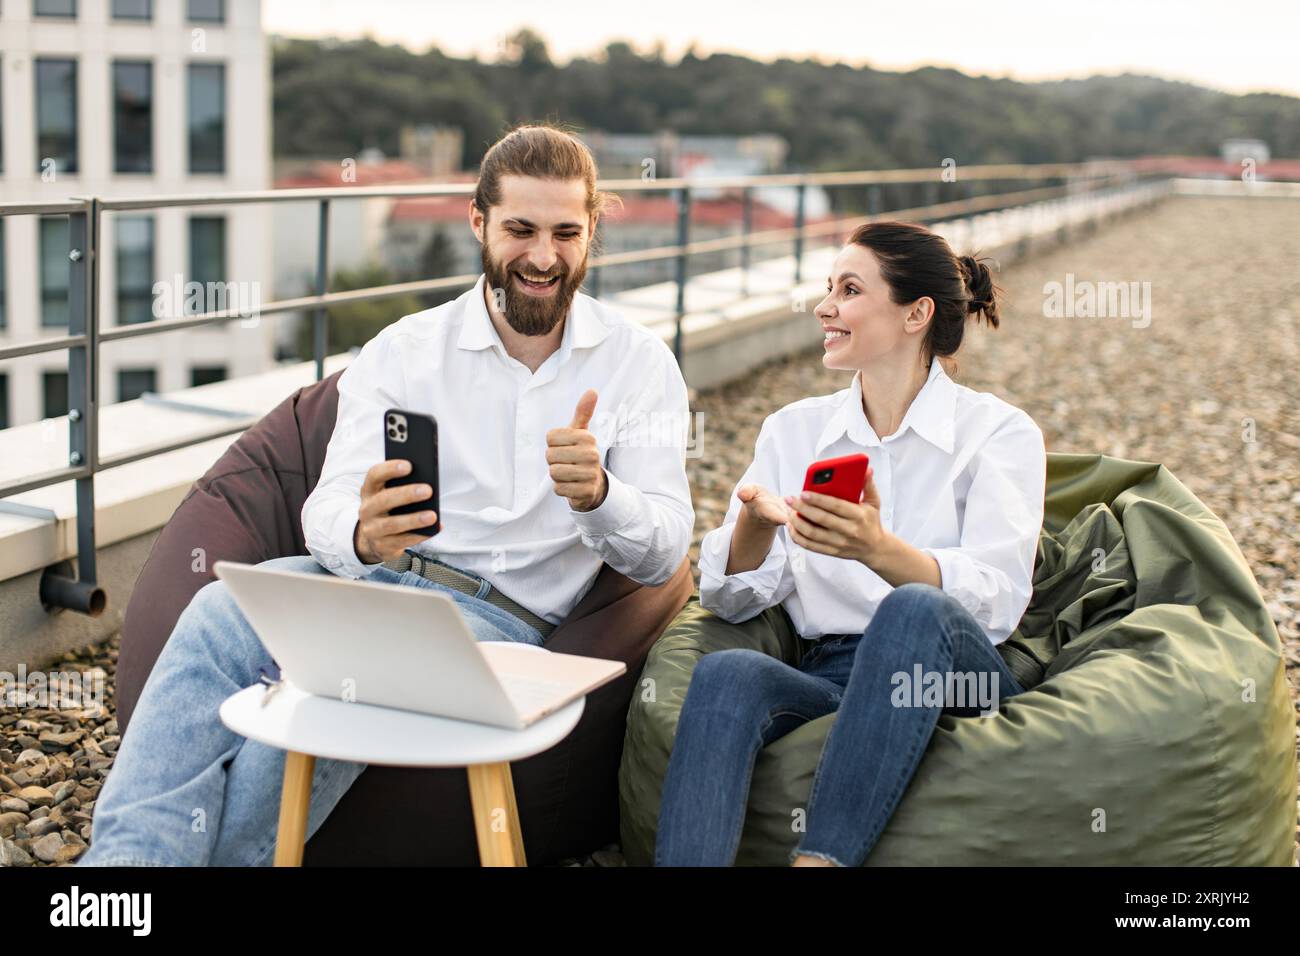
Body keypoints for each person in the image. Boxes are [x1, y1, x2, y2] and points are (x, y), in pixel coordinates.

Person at [80, 124, 694, 867]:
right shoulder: (405, 350)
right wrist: (364, 534)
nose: (542, 256)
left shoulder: (639, 364)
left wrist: (599, 495)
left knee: (312, 717)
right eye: (520, 230)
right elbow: (325, 510)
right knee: (217, 608)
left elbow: (665, 550)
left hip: (499, 624)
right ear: (479, 223)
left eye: (566, 232)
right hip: (374, 584)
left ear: (593, 226)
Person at [654, 220, 1046, 867]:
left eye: (849, 289)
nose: (824, 306)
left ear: (916, 312)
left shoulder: (999, 433)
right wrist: (757, 522)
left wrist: (877, 549)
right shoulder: (795, 430)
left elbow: (1000, 600)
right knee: (727, 672)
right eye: (828, 286)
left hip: (951, 678)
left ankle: (820, 862)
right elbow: (727, 599)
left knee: (913, 608)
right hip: (834, 672)